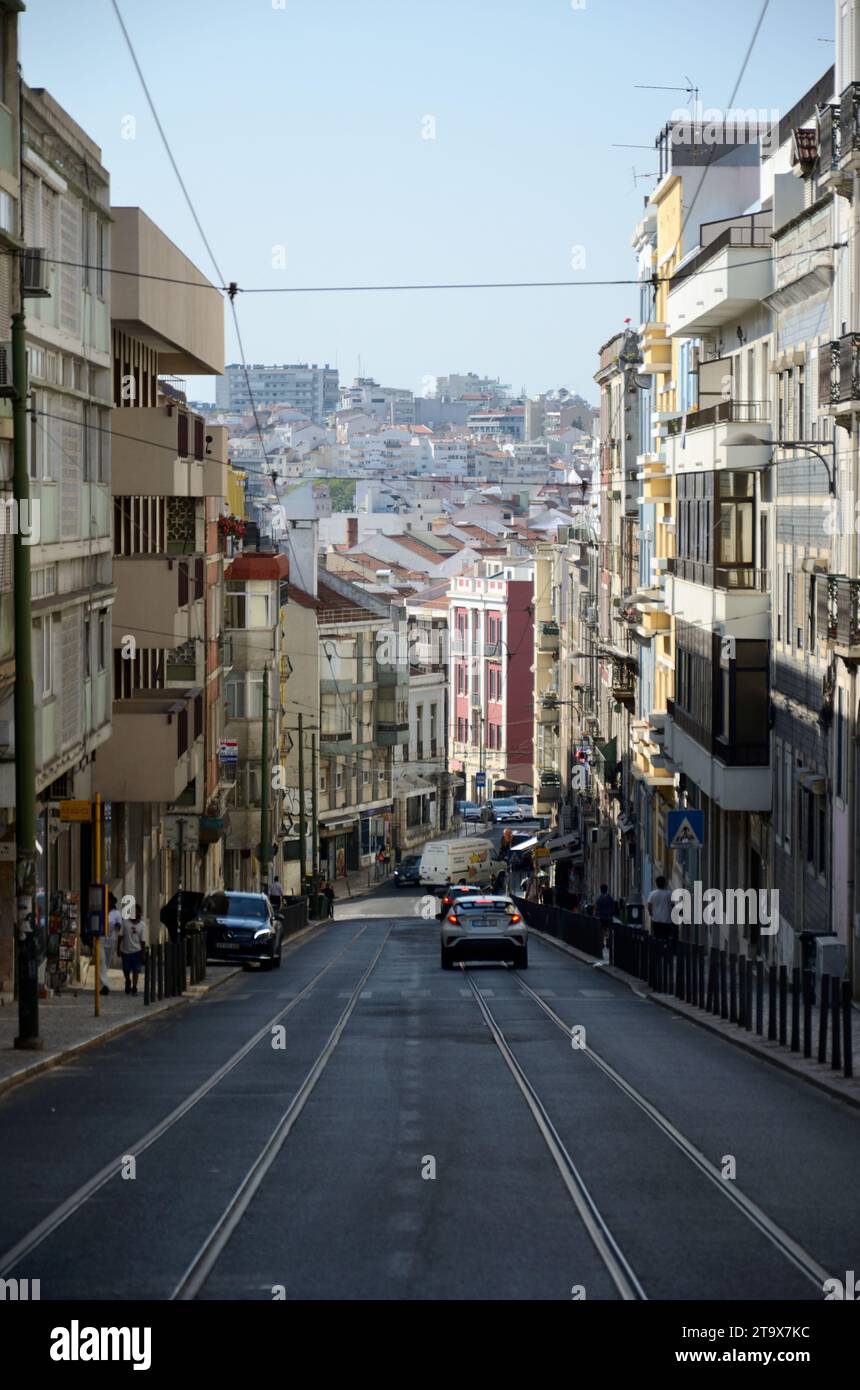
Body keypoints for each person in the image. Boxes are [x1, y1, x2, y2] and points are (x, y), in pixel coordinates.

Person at [647, 874, 676, 976]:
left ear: (656, 883)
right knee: (667, 939)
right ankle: (666, 957)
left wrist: (651, 913)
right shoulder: (669, 894)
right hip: (667, 921)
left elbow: (649, 905)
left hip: (656, 920)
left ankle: (658, 956)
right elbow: (673, 906)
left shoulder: (652, 894)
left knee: (657, 938)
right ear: (665, 883)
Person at [120, 904, 147, 996]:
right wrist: (118, 948)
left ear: (140, 913)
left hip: (137, 951)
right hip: (126, 951)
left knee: (136, 970)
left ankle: (134, 986)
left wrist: (143, 954)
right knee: (125, 970)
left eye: (137, 912)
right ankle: (128, 980)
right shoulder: (125, 923)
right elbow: (121, 936)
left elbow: (143, 941)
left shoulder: (142, 925)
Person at [102, 893, 123, 996]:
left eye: (108, 900)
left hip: (111, 940)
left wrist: (117, 925)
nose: (107, 902)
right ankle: (104, 986)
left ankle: (103, 983)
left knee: (106, 963)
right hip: (101, 939)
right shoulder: (101, 911)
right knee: (101, 962)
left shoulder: (116, 914)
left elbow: (119, 927)